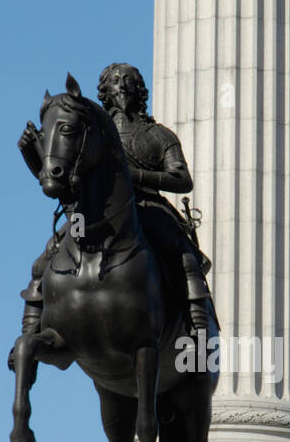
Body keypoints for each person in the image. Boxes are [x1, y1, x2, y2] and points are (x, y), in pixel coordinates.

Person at [15, 64, 216, 337]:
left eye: (128, 81)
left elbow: (182, 180)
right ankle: (29, 333)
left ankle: (198, 329)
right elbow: (57, 179)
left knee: (183, 253)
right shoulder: (93, 133)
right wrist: (30, 151)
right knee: (46, 258)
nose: (122, 85)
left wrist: (135, 175)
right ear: (105, 91)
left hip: (149, 207)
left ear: (139, 90)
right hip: (96, 211)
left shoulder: (159, 135)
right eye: (115, 81)